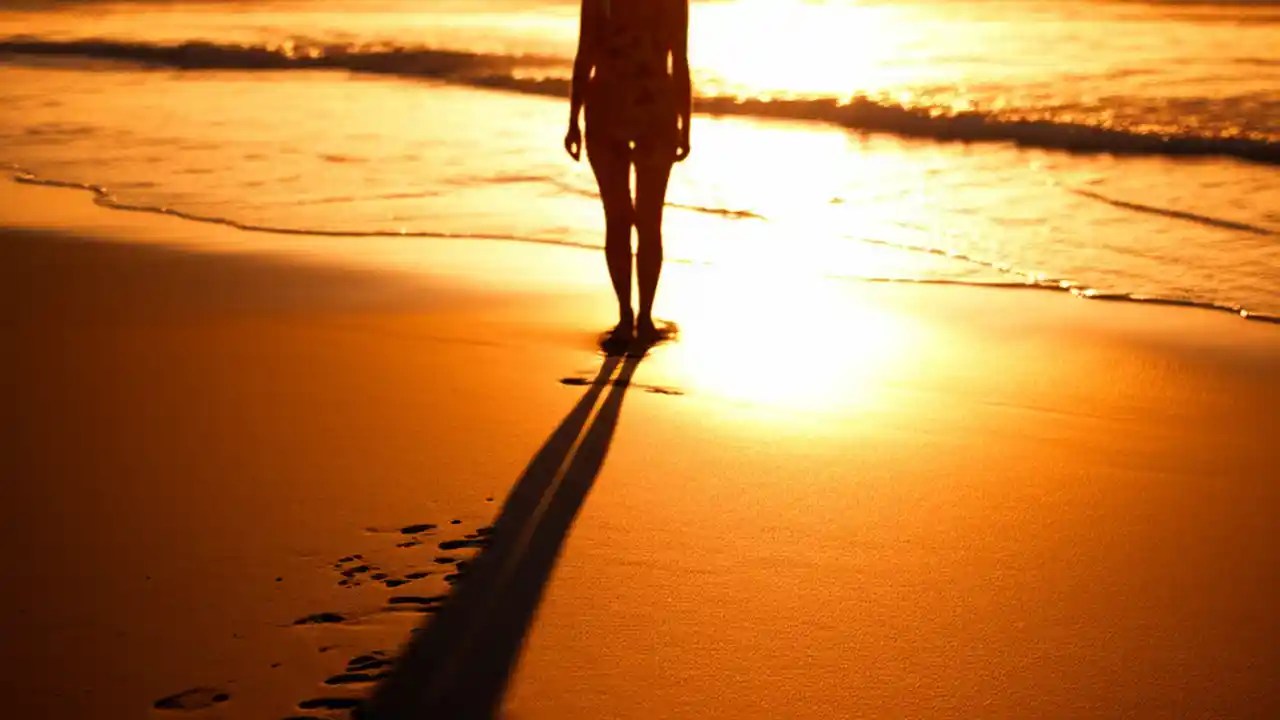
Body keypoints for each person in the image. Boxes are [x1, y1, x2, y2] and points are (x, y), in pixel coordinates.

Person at [564, 0, 692, 349]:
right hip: (656, 110)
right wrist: (686, 126)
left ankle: (624, 319)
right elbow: (678, 61)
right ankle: (645, 319)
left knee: (617, 219)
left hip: (606, 108)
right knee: (650, 222)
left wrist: (573, 120)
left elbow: (585, 54)